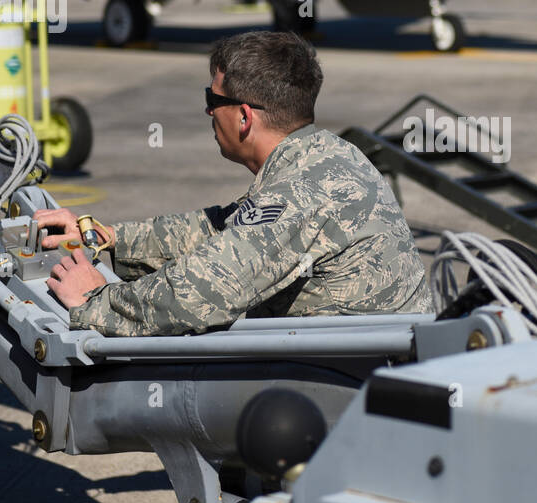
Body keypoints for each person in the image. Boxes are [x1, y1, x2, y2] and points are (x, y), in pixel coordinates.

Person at [37, 31, 433, 335]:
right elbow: (221, 227)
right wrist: (105, 238)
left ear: (244, 117)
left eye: (212, 98)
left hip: (348, 388)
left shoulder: (301, 193)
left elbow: (196, 297)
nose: (208, 110)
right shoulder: (325, 154)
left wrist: (93, 300)